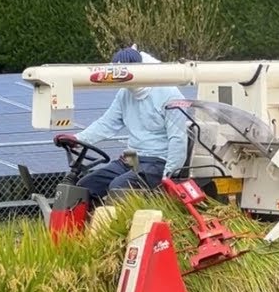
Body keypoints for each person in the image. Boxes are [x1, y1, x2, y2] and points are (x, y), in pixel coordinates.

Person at [53, 46, 190, 202]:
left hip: (158, 161)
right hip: (132, 159)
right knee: (85, 185)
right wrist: (77, 139)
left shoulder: (169, 94)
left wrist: (169, 175)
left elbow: (178, 138)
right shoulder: (125, 94)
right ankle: (87, 225)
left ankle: (120, 225)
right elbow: (106, 123)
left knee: (120, 187)